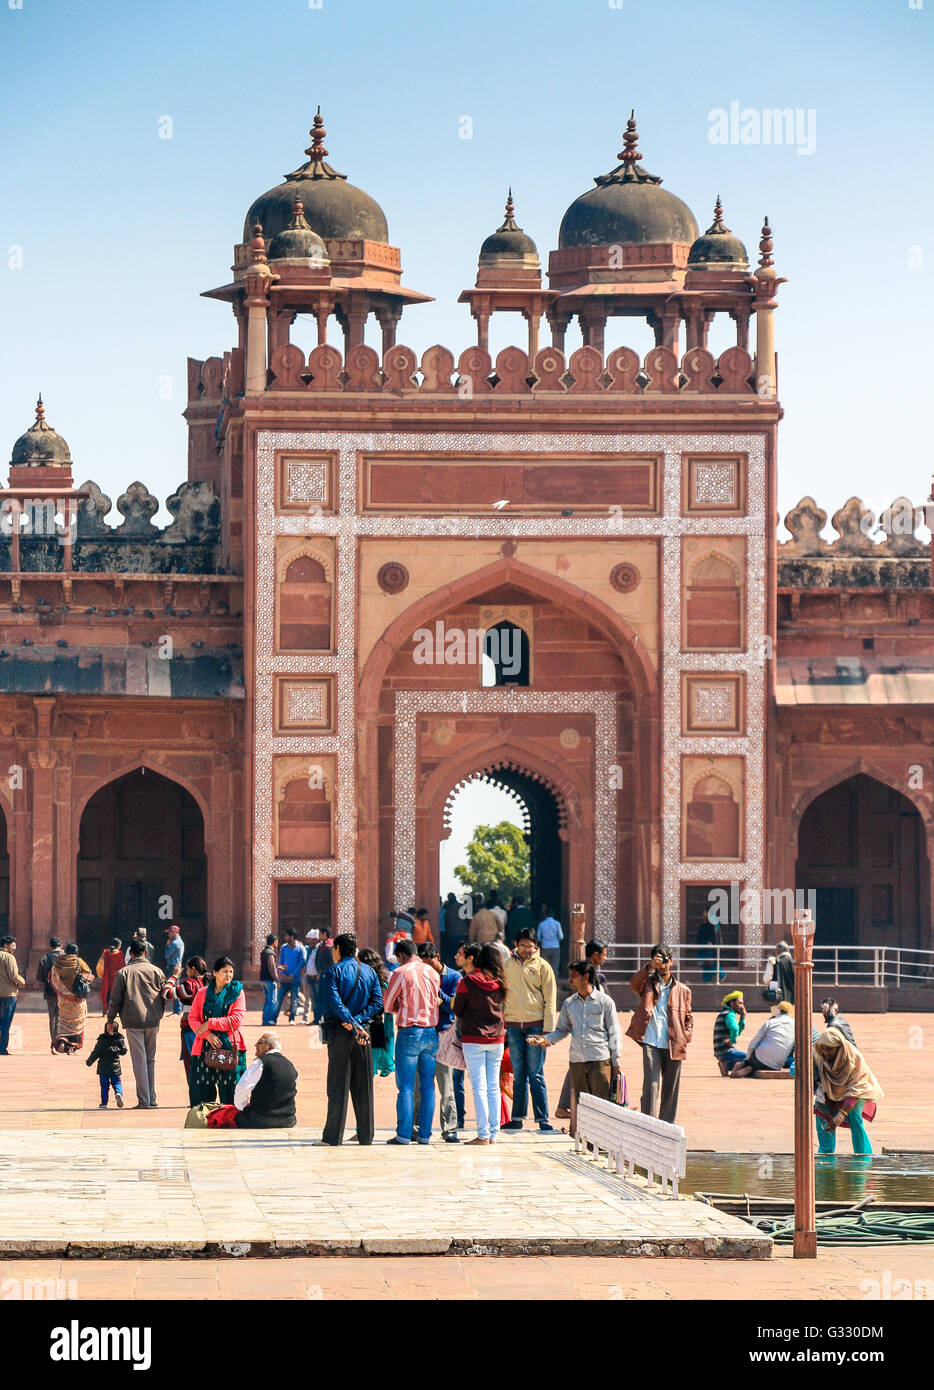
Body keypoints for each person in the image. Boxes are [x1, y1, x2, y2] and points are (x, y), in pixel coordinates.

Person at [529, 961, 621, 1132]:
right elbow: (562, 1031)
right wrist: (544, 1040)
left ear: (586, 977)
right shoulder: (569, 1003)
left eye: (574, 975)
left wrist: (616, 1064)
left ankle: (602, 1143)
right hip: (577, 1062)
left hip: (600, 1060)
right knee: (580, 1105)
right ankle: (583, 1141)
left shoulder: (605, 1002)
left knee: (602, 1106)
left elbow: (614, 1033)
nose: (570, 979)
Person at [320, 933, 383, 1146]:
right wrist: (359, 1022)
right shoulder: (369, 972)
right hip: (364, 1033)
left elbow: (334, 1002)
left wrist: (350, 1022)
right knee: (363, 1085)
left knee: (338, 1083)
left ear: (338, 948)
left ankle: (332, 1137)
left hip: (340, 1032)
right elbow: (377, 1003)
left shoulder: (333, 972)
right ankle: (366, 1136)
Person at [627, 945, 694, 1124]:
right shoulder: (647, 984)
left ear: (671, 961)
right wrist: (649, 968)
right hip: (651, 1041)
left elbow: (689, 1017)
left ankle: (666, 1127)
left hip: (674, 1043)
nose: (663, 964)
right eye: (659, 960)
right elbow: (633, 985)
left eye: (666, 959)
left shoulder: (683, 990)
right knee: (651, 1086)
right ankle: (649, 1125)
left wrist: (686, 1035)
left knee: (671, 1090)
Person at [383, 938, 440, 1145]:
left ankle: (404, 1134)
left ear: (401, 956)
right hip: (431, 1033)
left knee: (406, 1087)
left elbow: (388, 1005)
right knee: (428, 1087)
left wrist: (402, 1007)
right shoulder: (433, 972)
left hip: (409, 1033)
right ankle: (424, 1135)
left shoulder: (401, 972)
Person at [452, 943, 507, 1146]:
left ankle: (483, 1134)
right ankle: (493, 1134)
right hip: (497, 1039)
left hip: (474, 1038)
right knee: (493, 1087)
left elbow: (458, 1010)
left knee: (479, 1087)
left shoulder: (468, 981)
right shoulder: (500, 982)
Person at [502, 929, 557, 1132]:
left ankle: (543, 1119)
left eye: (530, 946)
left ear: (536, 946)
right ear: (516, 943)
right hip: (514, 1025)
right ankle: (517, 1117)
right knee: (519, 1073)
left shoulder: (543, 967)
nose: (526, 949)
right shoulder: (507, 965)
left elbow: (550, 1000)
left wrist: (548, 1033)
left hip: (536, 1026)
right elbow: (501, 994)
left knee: (535, 1073)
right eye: (523, 945)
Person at [106, 939, 166, 1106]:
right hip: (153, 1020)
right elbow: (164, 997)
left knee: (139, 1061)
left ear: (130, 953)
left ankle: (144, 1100)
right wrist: (159, 1014)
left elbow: (115, 1000)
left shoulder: (123, 973)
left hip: (133, 1021)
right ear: (145, 953)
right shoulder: (156, 971)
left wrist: (110, 1019)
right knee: (150, 1060)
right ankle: (151, 1098)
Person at [555, 939, 609, 1120]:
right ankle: (567, 1109)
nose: (605, 958)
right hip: (584, 1042)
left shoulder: (598, 979)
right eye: (604, 954)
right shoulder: (583, 978)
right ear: (595, 955)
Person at [417, 942, 465, 1143]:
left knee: (446, 1086)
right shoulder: (420, 975)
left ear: (436, 957)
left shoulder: (454, 977)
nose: (426, 968)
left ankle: (450, 1128)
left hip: (445, 1034)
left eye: (428, 963)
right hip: (425, 1032)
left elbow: (456, 1007)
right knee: (420, 1084)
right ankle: (418, 1127)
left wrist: (440, 996)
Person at [187, 956, 247, 1106]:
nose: (228, 975)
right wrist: (208, 1035)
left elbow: (236, 1019)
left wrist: (210, 1023)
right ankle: (204, 1120)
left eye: (231, 972)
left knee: (230, 1087)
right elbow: (193, 1019)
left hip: (229, 1047)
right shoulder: (202, 994)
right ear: (214, 973)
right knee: (201, 1088)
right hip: (204, 1046)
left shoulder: (237, 992)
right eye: (224, 971)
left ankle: (230, 1120)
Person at [813, 1030, 884, 1155]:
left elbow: (857, 1087)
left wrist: (841, 1114)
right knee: (822, 1113)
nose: (826, 1053)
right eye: (823, 1049)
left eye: (829, 1050)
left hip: (858, 1091)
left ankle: (863, 1154)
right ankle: (826, 1153)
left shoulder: (853, 1057)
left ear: (839, 1048)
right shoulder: (818, 1055)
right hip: (831, 1089)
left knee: (854, 1116)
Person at [233, 1032, 298, 1129]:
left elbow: (242, 1088)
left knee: (229, 1115)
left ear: (270, 1046)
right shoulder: (290, 1065)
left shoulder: (261, 1062)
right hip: (289, 1120)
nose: (256, 1045)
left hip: (261, 1119)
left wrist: (241, 1108)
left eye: (260, 1042)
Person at [50, 942, 95, 1055]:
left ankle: (62, 1041)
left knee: (63, 1020)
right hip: (76, 999)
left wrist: (62, 990)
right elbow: (88, 976)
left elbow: (52, 977)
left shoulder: (57, 963)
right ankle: (71, 1047)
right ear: (76, 952)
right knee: (77, 1022)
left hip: (63, 998)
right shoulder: (78, 962)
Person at [730, 1001, 795, 1077]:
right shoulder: (796, 1024)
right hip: (776, 1066)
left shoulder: (771, 1022)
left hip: (758, 1060)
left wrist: (747, 1059)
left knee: (754, 1058)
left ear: (777, 1011)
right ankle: (750, 1069)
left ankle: (745, 1066)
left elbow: (753, 1043)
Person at [359, 948, 395, 1077]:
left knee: (363, 1077)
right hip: (377, 1033)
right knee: (368, 1078)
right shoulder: (383, 985)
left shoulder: (364, 985)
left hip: (364, 1032)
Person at [177, 956, 207, 1085]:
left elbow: (167, 993)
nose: (187, 973)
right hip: (206, 1026)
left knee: (191, 1060)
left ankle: (195, 1094)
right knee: (204, 1061)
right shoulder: (209, 983)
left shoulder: (189, 985)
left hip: (190, 1026)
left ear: (193, 970)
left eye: (188, 970)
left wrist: (174, 977)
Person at [86, 1022, 127, 1108]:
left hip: (103, 1067)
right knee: (116, 1082)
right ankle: (118, 1093)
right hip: (115, 1066)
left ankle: (104, 1103)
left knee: (104, 1086)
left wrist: (90, 1061)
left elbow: (96, 1052)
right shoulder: (119, 1038)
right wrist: (118, 1048)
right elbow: (124, 1051)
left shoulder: (102, 1039)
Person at [37, 937, 64, 1050]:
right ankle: (63, 1041)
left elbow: (40, 978)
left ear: (50, 946)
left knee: (52, 1017)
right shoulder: (67, 957)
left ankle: (54, 1042)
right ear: (61, 945)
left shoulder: (44, 958)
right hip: (65, 992)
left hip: (50, 991)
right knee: (64, 1018)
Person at [275, 929, 306, 1025]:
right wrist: (283, 974)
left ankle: (291, 1019)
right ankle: (273, 1018)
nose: (285, 938)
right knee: (279, 999)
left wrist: (293, 974)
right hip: (285, 979)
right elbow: (281, 962)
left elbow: (302, 963)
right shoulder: (284, 948)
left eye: (287, 936)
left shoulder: (300, 949)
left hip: (295, 979)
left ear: (292, 937)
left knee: (294, 1000)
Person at [0, 935, 25, 1055]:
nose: (14, 948)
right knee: (5, 1022)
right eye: (12, 945)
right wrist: (23, 981)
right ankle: (2, 1048)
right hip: (8, 994)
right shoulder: (9, 957)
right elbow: (13, 975)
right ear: (6, 945)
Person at [713, 990, 747, 1075]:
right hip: (726, 1051)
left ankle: (725, 1064)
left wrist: (743, 1017)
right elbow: (735, 1029)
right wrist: (732, 1041)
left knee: (741, 1062)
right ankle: (727, 1065)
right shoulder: (730, 1014)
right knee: (752, 1059)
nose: (742, 1006)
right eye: (740, 1003)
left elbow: (736, 1031)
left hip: (719, 1052)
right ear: (732, 1003)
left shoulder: (723, 1013)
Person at [96, 938, 124, 1016]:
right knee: (117, 995)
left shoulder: (105, 952)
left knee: (106, 994)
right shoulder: (119, 954)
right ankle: (117, 1011)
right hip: (116, 977)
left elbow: (101, 963)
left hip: (107, 977)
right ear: (118, 945)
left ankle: (105, 1010)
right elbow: (122, 966)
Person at [312, 929, 335, 1027]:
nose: (319, 936)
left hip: (326, 975)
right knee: (320, 998)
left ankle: (324, 1018)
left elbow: (331, 961)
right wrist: (318, 971)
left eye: (321, 934)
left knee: (325, 998)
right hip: (322, 974)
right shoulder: (322, 945)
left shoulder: (328, 946)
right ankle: (317, 1018)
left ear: (325, 934)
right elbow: (317, 960)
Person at [697, 910, 726, 984]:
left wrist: (709, 942)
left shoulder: (712, 921)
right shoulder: (708, 921)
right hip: (706, 947)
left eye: (704, 911)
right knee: (706, 964)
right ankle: (707, 981)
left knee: (710, 963)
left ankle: (721, 974)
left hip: (710, 948)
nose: (702, 913)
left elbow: (713, 934)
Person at [163, 925, 185, 1014]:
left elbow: (166, 955)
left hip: (173, 966)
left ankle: (177, 1010)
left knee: (173, 987)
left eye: (170, 932)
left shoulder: (174, 943)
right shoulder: (180, 942)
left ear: (174, 932)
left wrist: (167, 945)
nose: (168, 934)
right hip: (177, 965)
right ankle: (177, 1009)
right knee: (176, 986)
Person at [537, 906, 563, 977]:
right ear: (553, 915)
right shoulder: (557, 924)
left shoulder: (541, 924)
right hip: (555, 947)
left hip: (545, 947)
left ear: (545, 915)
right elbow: (561, 937)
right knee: (555, 969)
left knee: (545, 969)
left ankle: (546, 986)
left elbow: (538, 938)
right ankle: (555, 986)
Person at [259, 933, 279, 1026]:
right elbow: (271, 968)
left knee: (267, 1000)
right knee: (272, 1001)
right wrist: (277, 979)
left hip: (263, 979)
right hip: (269, 980)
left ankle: (265, 1020)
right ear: (274, 942)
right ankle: (268, 1020)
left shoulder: (264, 952)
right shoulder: (270, 953)